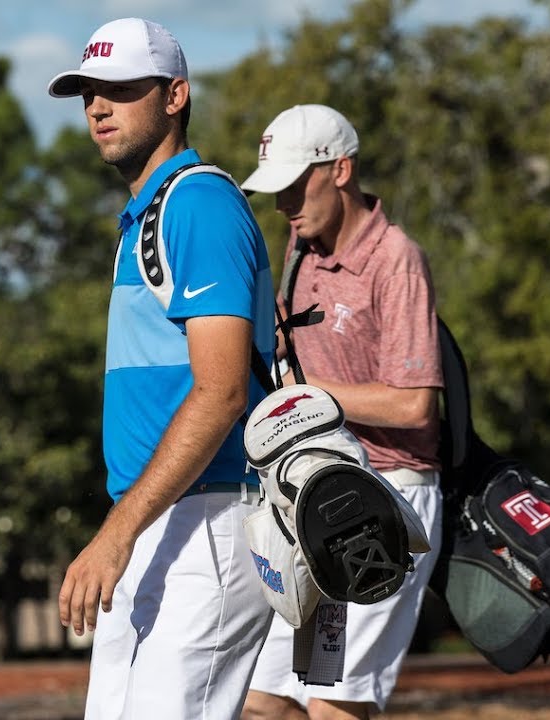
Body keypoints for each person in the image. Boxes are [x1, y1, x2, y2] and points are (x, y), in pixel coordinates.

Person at [46, 17, 278, 720]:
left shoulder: (199, 203)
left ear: (175, 95)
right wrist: (125, 527)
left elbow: (222, 390)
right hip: (158, 520)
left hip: (207, 521)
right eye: (89, 92)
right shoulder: (148, 214)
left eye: (120, 88)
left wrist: (117, 532)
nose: (98, 107)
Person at [238, 105, 445, 720]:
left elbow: (414, 405)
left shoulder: (395, 259)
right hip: (308, 491)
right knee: (261, 700)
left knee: (336, 707)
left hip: (385, 493)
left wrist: (308, 402)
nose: (284, 207)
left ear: (342, 170)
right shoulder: (300, 247)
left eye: (296, 188)